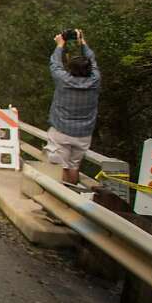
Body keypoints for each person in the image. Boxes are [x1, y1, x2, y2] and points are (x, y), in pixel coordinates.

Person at [46, 28, 101, 186]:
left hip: (61, 130)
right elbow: (93, 60)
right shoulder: (95, 80)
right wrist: (82, 42)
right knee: (74, 166)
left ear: (70, 68)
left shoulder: (63, 79)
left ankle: (62, 198)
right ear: (90, 69)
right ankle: (73, 198)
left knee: (61, 167)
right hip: (84, 133)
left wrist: (60, 44)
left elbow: (55, 63)